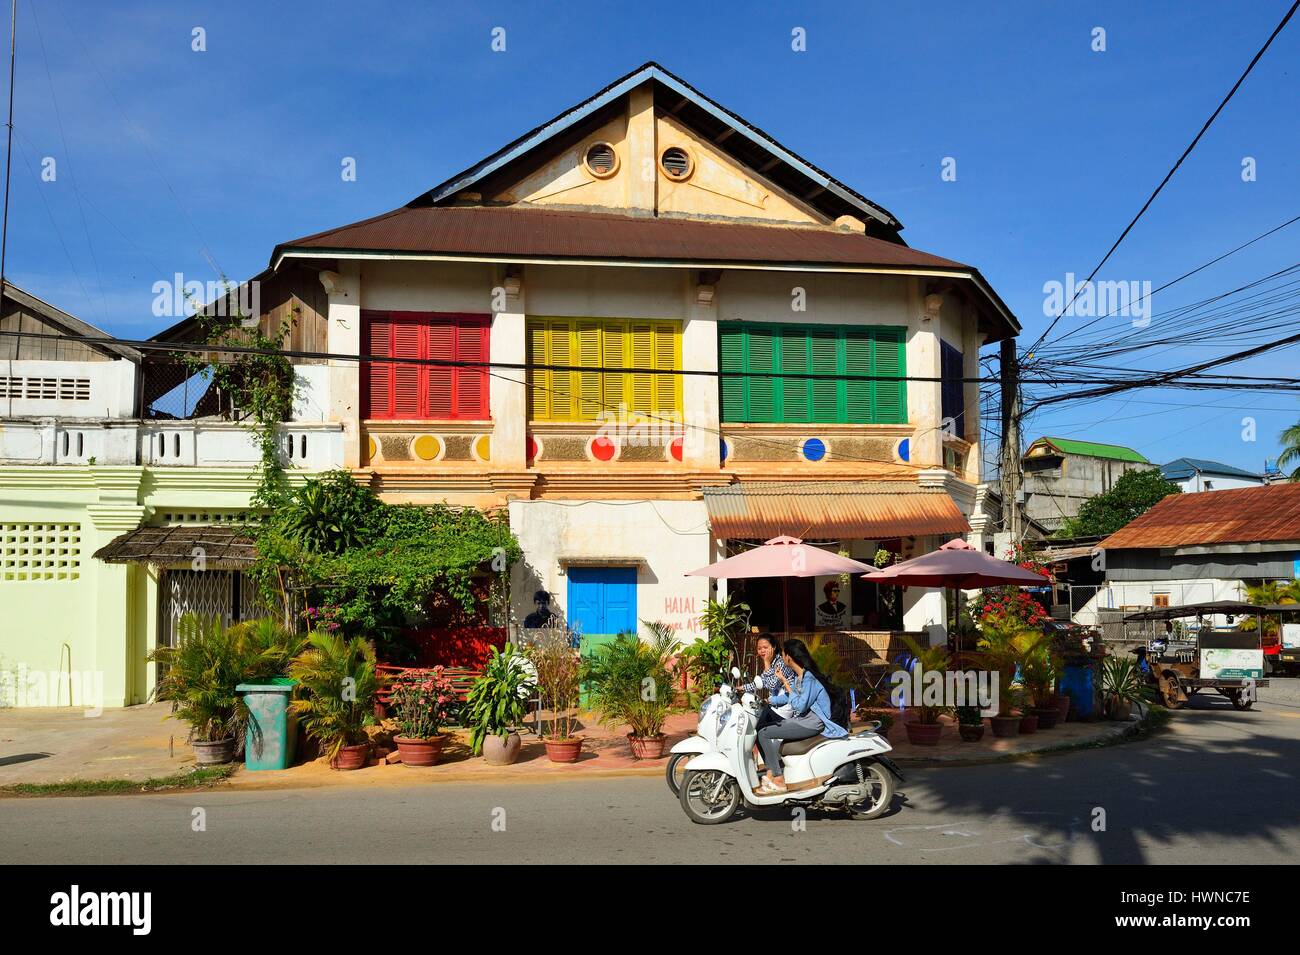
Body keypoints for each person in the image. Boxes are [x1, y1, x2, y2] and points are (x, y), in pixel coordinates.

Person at [756, 638, 847, 792]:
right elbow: (787, 697)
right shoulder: (801, 677)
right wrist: (767, 700)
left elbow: (799, 704)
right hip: (804, 720)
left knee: (764, 733)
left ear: (789, 657)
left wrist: (784, 681)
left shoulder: (809, 678)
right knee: (766, 731)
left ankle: (778, 779)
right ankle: (773, 775)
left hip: (813, 723)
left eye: (783, 654)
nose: (782, 657)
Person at [739, 635, 796, 731]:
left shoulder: (782, 663)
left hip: (784, 709)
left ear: (773, 647)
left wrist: (766, 663)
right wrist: (741, 688)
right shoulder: (772, 663)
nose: (762, 651)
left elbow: (772, 685)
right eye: (759, 648)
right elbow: (760, 682)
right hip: (773, 706)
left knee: (757, 730)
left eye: (765, 647)